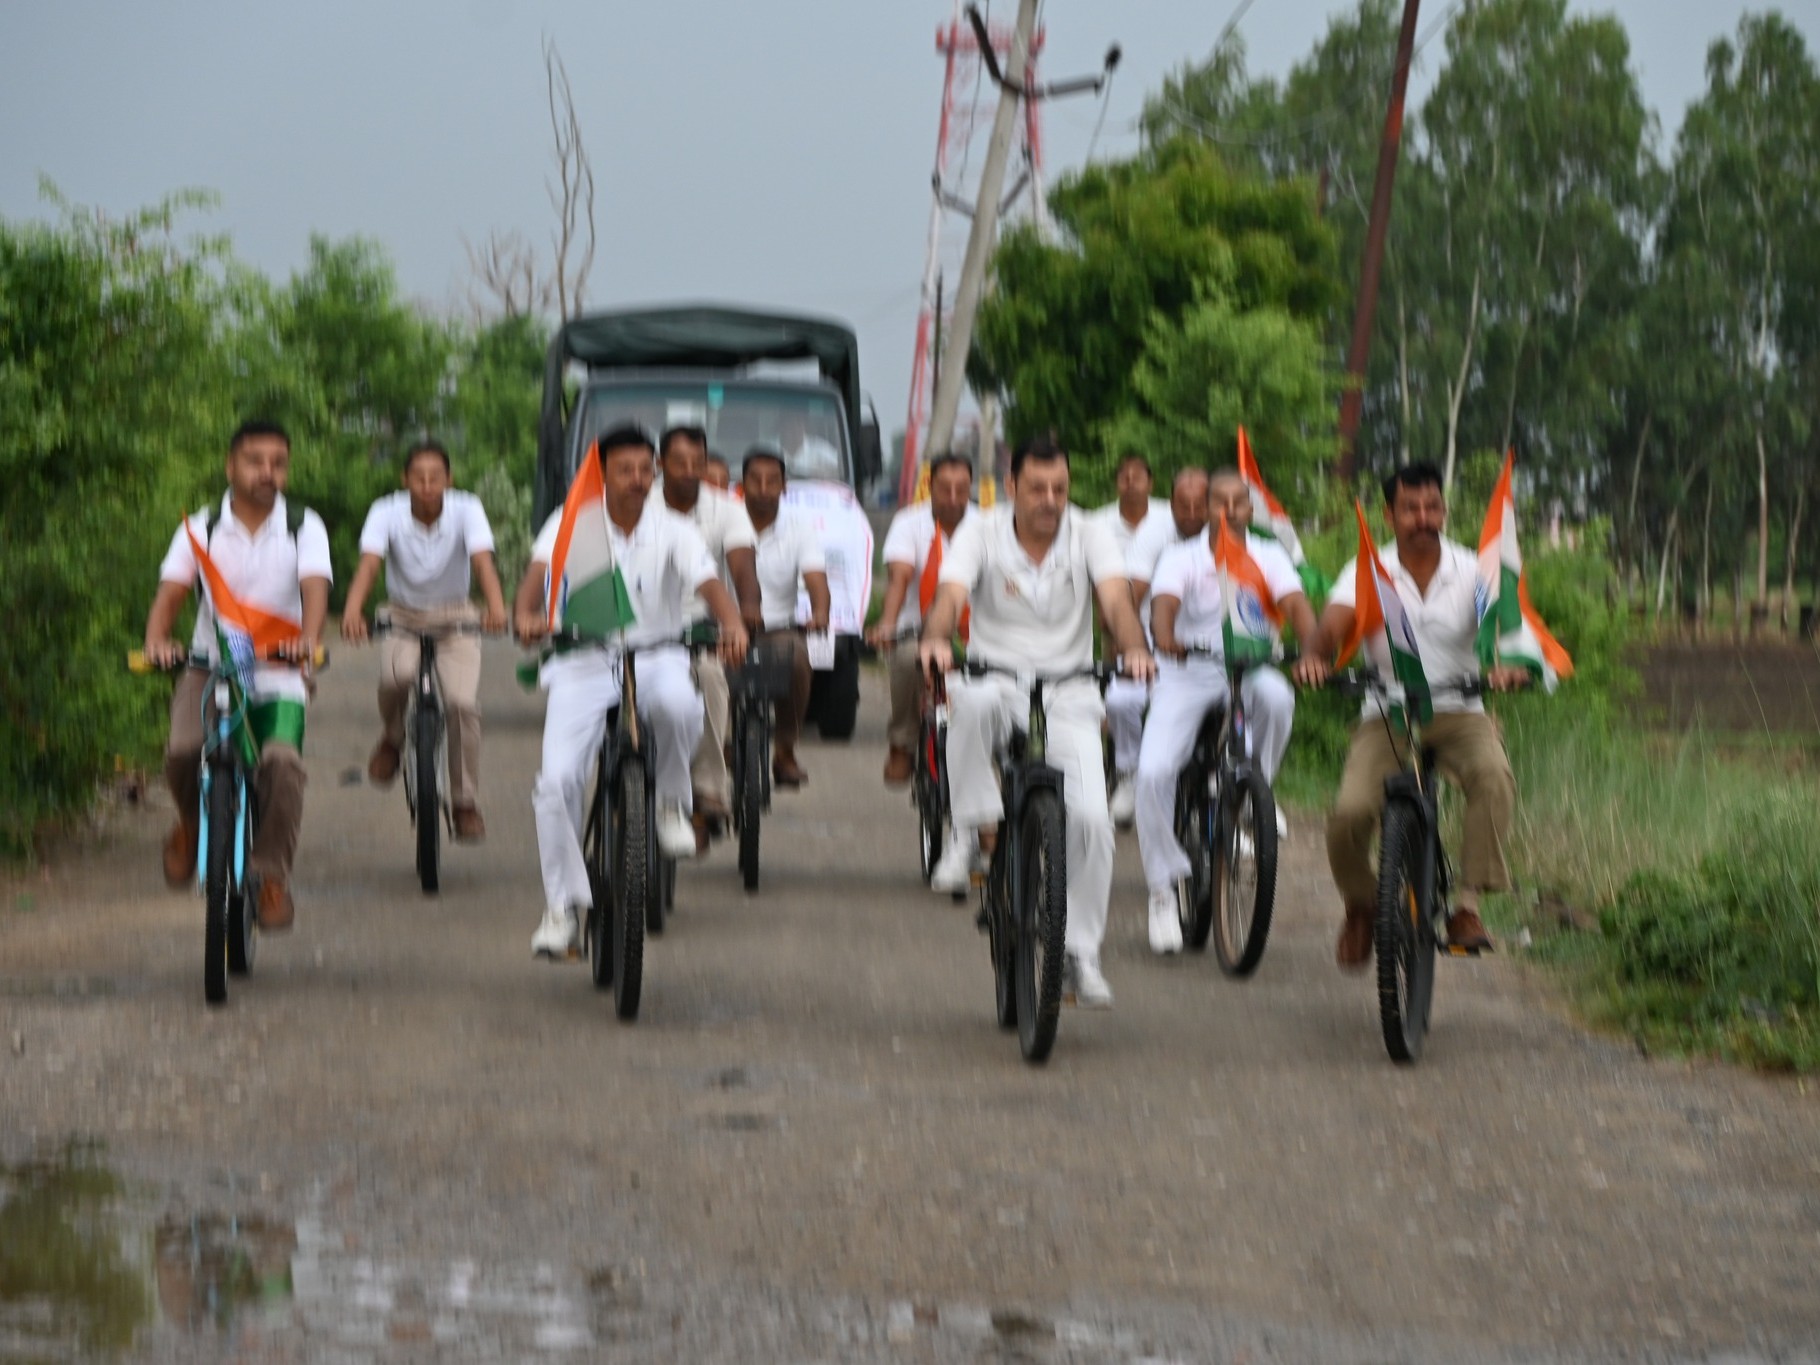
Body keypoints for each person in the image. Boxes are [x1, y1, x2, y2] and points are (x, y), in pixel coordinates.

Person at [919, 432, 1157, 1009]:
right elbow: (951, 596)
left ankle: (1078, 954)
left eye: (1060, 488)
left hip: (1070, 688)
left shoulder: (1090, 533)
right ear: (1012, 488)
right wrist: (935, 639)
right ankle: (975, 831)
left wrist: (1134, 648)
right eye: (1037, 488)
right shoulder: (981, 530)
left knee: (1093, 823)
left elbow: (1117, 602)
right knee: (966, 701)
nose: (1050, 499)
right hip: (996, 675)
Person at [514, 425, 748, 961]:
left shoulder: (672, 528)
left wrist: (731, 624)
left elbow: (711, 584)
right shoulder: (573, 521)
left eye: (647, 469)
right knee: (557, 782)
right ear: (603, 474)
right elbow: (534, 580)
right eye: (627, 470)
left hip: (656, 653)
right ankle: (563, 908)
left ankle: (671, 802)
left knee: (680, 704)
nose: (640, 480)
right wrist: (527, 617)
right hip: (583, 659)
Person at [1296, 461, 1524, 967]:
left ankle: (1467, 906)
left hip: (1459, 711)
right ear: (1389, 514)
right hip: (1388, 714)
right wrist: (1314, 656)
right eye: (1410, 508)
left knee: (1493, 778)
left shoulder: (1474, 570)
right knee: (1349, 814)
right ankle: (1362, 903)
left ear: (1444, 510)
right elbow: (1329, 628)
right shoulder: (1368, 572)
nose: (1423, 517)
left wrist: (1507, 666)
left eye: (1432, 506)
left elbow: (1499, 633)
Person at [143, 419, 331, 931]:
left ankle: (269, 875)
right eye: (255, 461)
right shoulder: (200, 528)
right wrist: (158, 641)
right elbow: (172, 593)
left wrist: (308, 641)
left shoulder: (303, 525)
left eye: (278, 463)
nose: (267, 472)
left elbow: (315, 588)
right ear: (230, 467)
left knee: (282, 767)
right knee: (182, 752)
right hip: (211, 666)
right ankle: (188, 824)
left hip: (277, 671)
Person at [1135, 468, 1319, 954]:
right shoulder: (1182, 556)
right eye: (1220, 501)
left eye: (1238, 502)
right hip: (1188, 671)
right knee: (1154, 771)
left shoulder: (1268, 555)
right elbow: (1164, 605)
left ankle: (1251, 791)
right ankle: (1161, 889)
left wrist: (1314, 651)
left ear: (1248, 511)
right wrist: (1167, 637)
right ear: (1208, 507)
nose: (1229, 510)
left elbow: (1296, 605)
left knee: (1278, 697)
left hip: (1248, 668)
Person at [340, 441, 508, 843]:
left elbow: (482, 560)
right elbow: (369, 564)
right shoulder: (386, 511)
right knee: (396, 679)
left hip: (455, 618)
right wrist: (352, 610)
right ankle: (394, 737)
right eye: (419, 477)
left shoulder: (467, 509)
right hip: (402, 615)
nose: (428, 485)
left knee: (462, 705)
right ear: (405, 480)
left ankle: (465, 802)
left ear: (449, 480)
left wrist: (497, 608)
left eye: (436, 477)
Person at [657, 424, 763, 849]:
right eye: (679, 462)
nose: (688, 471)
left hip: (701, 625)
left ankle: (708, 785)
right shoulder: (637, 506)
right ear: (660, 464)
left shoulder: (727, 509)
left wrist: (747, 610)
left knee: (711, 675)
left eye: (697, 463)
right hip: (642, 627)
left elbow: (742, 569)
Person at [1107, 468, 1210, 826]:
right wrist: (1125, 640)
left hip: (1210, 639)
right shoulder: (1154, 530)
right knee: (1120, 699)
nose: (1193, 514)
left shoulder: (1228, 534)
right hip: (1155, 635)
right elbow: (1131, 596)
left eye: (1201, 505)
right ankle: (1130, 772)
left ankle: (1247, 790)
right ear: (1170, 503)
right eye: (1184, 506)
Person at [866, 452, 974, 786]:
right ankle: (902, 743)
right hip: (916, 628)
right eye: (945, 489)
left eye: (962, 489)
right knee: (903, 660)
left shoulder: (987, 525)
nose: (954, 498)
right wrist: (886, 623)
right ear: (930, 487)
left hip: (972, 632)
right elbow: (899, 579)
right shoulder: (908, 523)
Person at [741, 447, 831, 787]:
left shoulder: (800, 528)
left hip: (776, 629)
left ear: (784, 486)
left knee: (797, 658)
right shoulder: (727, 522)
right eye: (756, 480)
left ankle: (785, 750)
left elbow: (816, 580)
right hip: (725, 629)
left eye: (772, 481)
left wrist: (820, 612)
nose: (764, 488)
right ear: (742, 485)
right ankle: (720, 749)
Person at [1090, 453, 1170, 824]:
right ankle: (1127, 769)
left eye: (1138, 476)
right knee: (1120, 693)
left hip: (1171, 626)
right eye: (1124, 476)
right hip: (1117, 618)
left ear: (1151, 483)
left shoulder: (1169, 516)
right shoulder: (1099, 523)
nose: (1131, 482)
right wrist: (1115, 623)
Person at [776, 409, 843, 480]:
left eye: (798, 422)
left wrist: (824, 473)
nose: (794, 427)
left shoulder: (819, 447)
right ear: (781, 425)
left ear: (805, 426)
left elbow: (842, 468)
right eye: (789, 423)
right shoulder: (768, 447)